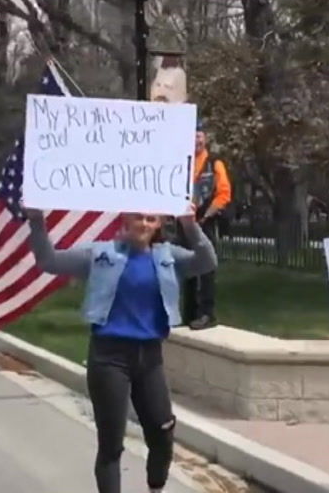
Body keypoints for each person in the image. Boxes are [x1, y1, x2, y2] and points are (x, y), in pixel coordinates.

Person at [25, 203, 217, 493]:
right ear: (126, 218)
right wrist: (37, 222)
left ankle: (155, 487)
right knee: (112, 443)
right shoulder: (101, 253)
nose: (143, 223)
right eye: (138, 216)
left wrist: (190, 225)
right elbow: (48, 261)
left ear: (158, 224)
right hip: (109, 357)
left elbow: (207, 262)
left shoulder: (168, 257)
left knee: (163, 433)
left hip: (150, 358)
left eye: (150, 219)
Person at [179, 122, 231, 330]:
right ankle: (189, 314)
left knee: (207, 268)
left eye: (199, 136)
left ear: (205, 139)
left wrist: (206, 215)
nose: (196, 140)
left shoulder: (215, 163)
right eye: (192, 136)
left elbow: (224, 193)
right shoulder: (183, 163)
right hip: (184, 222)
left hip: (205, 223)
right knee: (187, 267)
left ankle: (207, 314)